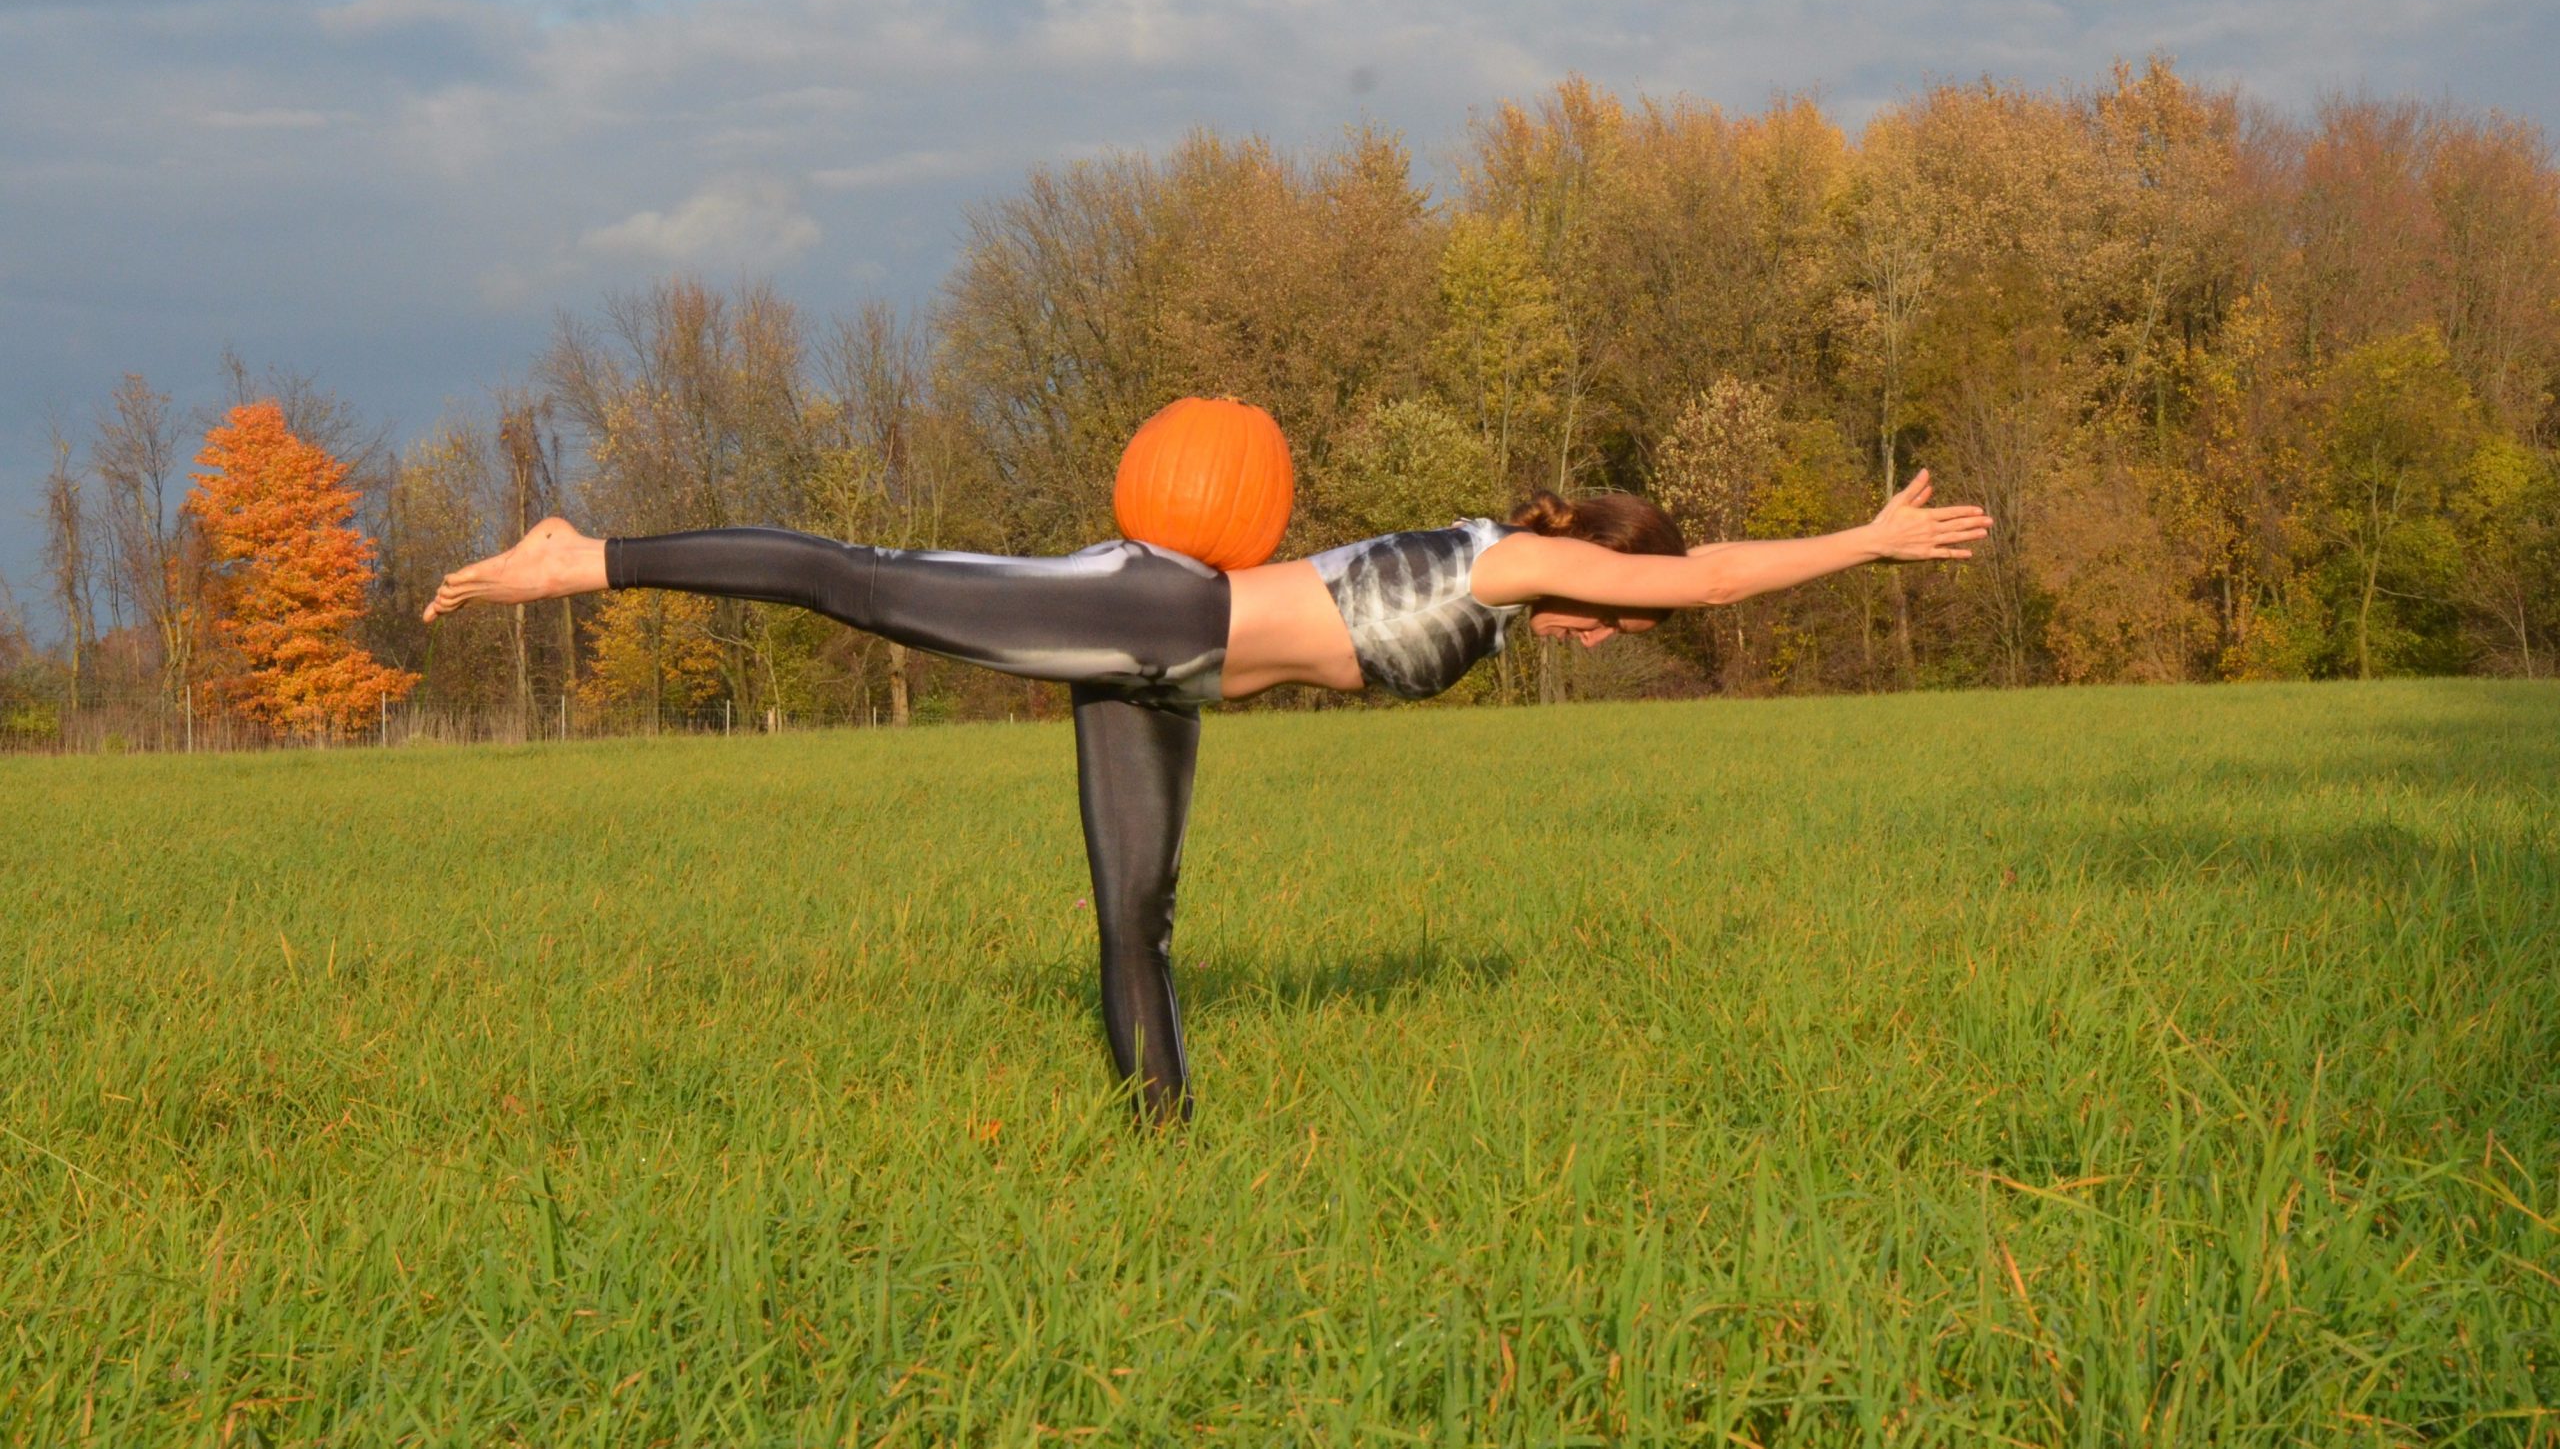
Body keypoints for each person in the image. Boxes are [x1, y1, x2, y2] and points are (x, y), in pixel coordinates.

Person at [423, 470, 1991, 1123]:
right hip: (1159, 616)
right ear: (1603, 571)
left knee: (1140, 920)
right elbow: (1709, 577)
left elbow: (1672, 587)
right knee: (863, 582)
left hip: (1164, 674)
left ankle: (1161, 1148)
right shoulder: (1512, 562)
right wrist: (1862, 539)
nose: (1607, 632)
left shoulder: (1503, 590)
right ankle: (588, 553)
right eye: (1620, 613)